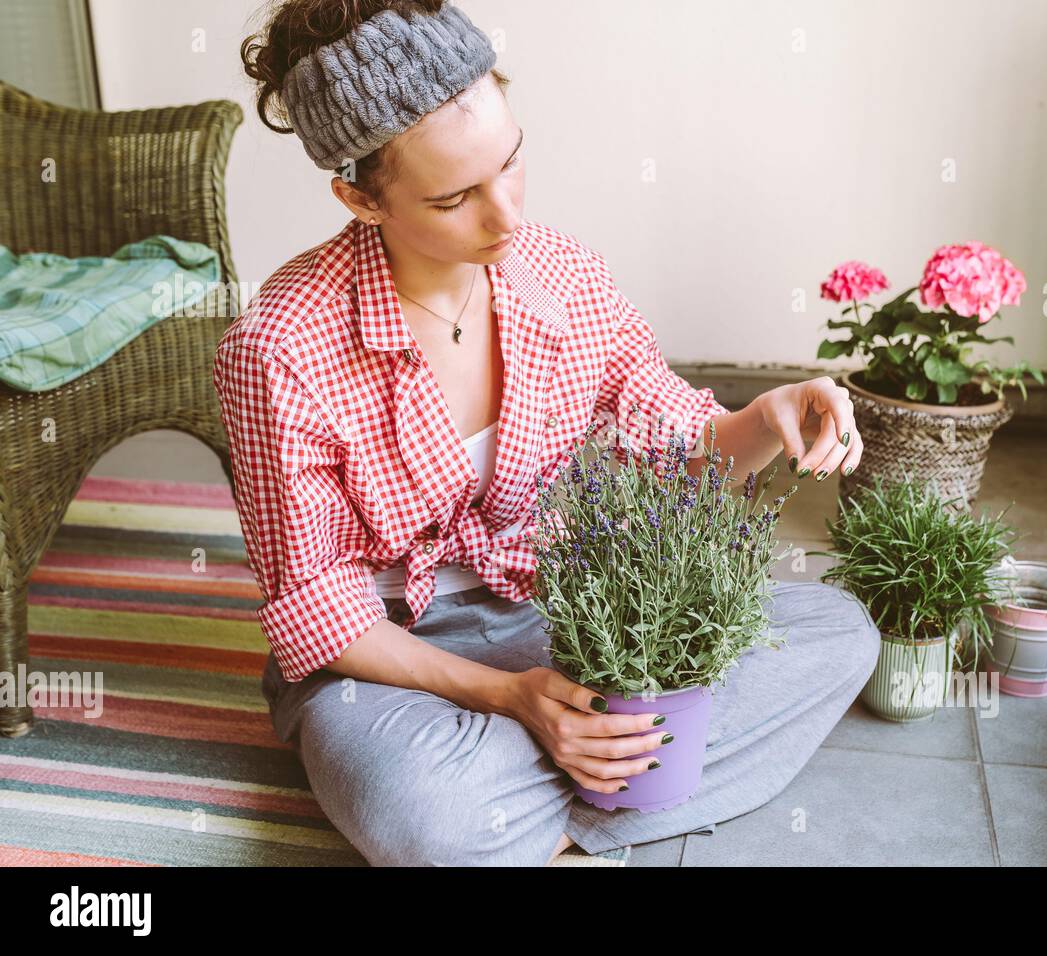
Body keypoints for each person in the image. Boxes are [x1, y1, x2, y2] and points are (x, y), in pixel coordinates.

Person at [223, 0, 881, 865]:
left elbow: (678, 443)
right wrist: (515, 697)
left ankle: (540, 813)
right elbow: (317, 611)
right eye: (455, 197)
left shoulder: (563, 276)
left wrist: (765, 418)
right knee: (421, 810)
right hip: (393, 663)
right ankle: (612, 781)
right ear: (359, 196)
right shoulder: (279, 346)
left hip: (560, 612)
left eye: (512, 160)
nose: (505, 218)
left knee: (839, 636)